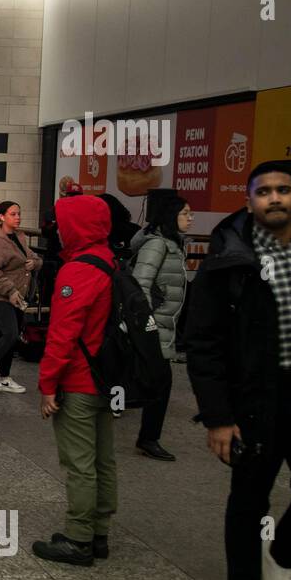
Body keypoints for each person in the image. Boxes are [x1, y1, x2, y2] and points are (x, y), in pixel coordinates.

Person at [185, 162, 291, 580]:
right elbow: (203, 343)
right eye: (265, 192)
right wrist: (218, 417)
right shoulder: (229, 261)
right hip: (258, 398)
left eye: (285, 190)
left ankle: (281, 555)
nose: (276, 198)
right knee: (249, 497)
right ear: (249, 202)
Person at [31, 194, 117, 567]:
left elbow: (63, 333)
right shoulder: (111, 261)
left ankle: (78, 538)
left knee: (80, 462)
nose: (59, 232)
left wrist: (48, 384)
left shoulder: (78, 271)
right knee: (103, 459)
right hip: (107, 376)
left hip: (79, 379)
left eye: (63, 224)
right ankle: (99, 533)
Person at [128, 189, 193, 462]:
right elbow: (140, 284)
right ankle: (148, 438)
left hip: (164, 324)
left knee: (154, 380)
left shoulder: (174, 244)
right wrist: (149, 322)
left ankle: (147, 436)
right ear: (170, 216)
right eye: (185, 214)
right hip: (154, 325)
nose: (190, 218)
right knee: (160, 381)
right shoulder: (157, 245)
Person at [0, 200, 42, 394]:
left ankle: (4, 376)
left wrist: (35, 263)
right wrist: (10, 290)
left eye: (19, 213)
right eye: (13, 214)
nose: (18, 217)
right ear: (1, 217)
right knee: (11, 333)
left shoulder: (19, 237)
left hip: (18, 293)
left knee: (11, 336)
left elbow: (33, 257)